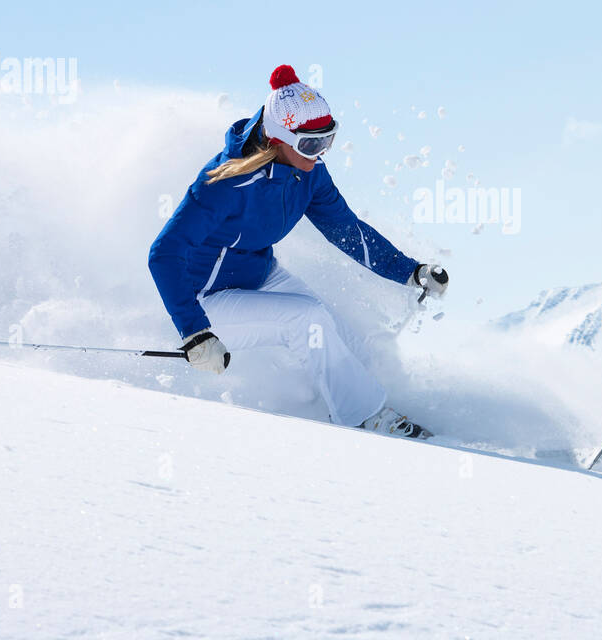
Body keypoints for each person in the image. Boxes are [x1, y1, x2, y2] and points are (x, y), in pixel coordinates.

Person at [148, 65, 448, 438]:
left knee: (340, 330)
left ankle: (357, 405)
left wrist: (410, 270)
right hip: (204, 301)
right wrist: (194, 332)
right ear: (278, 139)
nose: (319, 153)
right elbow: (163, 254)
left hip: (257, 275)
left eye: (327, 141)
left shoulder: (308, 173)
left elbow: (347, 230)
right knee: (307, 321)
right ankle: (365, 422)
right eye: (310, 144)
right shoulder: (224, 184)